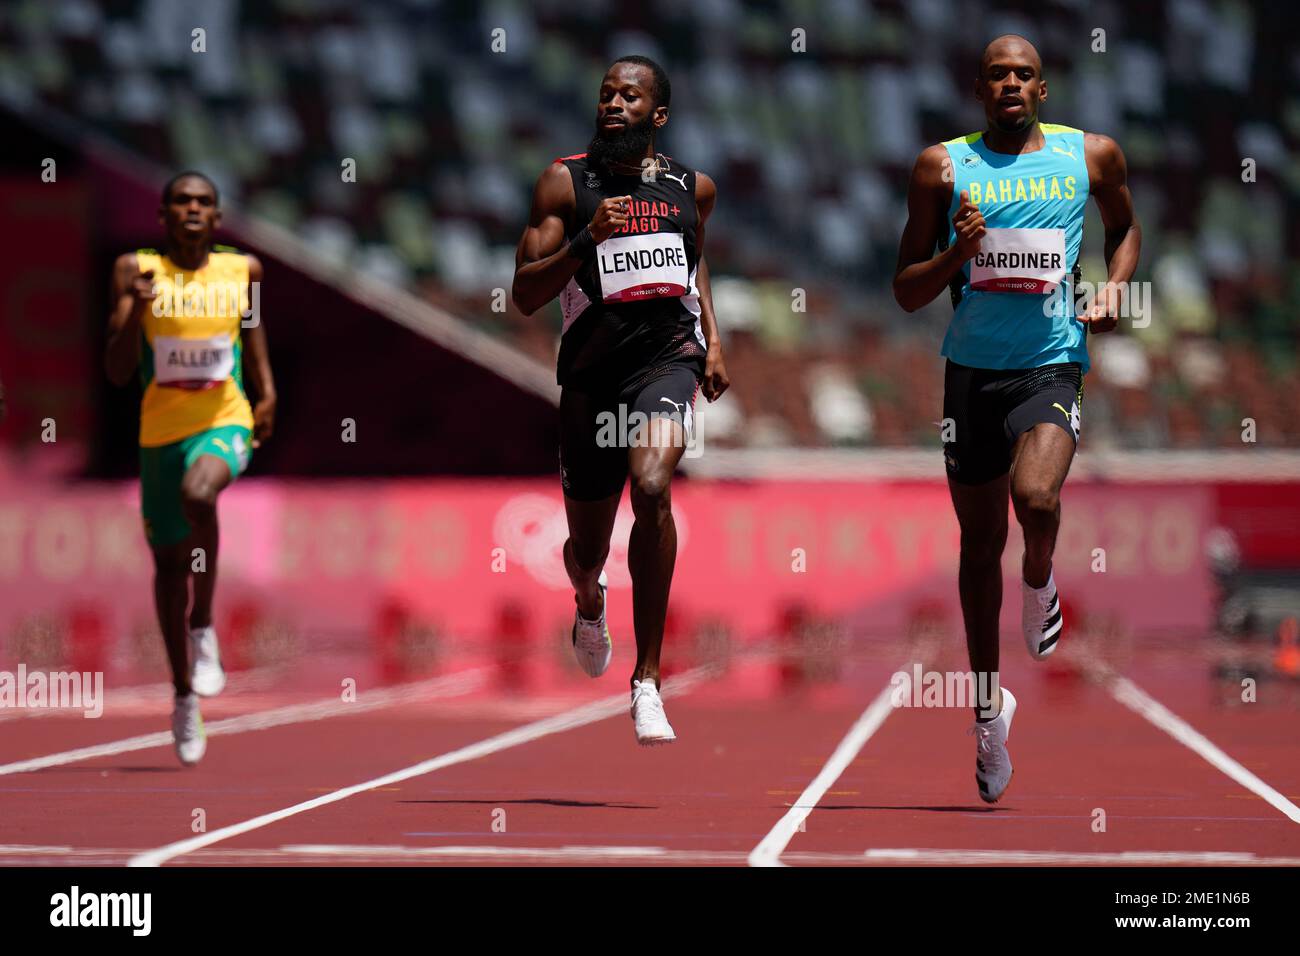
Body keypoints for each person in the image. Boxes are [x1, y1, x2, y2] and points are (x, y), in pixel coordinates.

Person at [893, 35, 1140, 801]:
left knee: (1035, 497)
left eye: (1023, 75)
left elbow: (1125, 230)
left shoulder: (1091, 156)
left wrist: (1112, 290)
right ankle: (986, 711)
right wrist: (954, 253)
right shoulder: (943, 166)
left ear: (1043, 88)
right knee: (977, 545)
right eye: (997, 74)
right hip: (971, 376)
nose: (1009, 83)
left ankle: (1041, 578)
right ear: (979, 88)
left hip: (1051, 365)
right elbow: (906, 288)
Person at [512, 56, 730, 745]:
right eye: (606, 93)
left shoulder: (691, 187)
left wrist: (714, 341)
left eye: (629, 97)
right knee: (586, 547)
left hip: (666, 364)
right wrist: (586, 239)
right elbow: (524, 293)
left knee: (655, 487)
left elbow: (694, 261)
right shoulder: (564, 181)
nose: (613, 104)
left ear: (657, 115)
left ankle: (649, 681)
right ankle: (587, 599)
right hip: (591, 377)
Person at [105, 171, 276, 766]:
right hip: (160, 434)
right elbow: (118, 369)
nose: (193, 210)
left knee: (201, 493)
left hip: (223, 420)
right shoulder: (136, 269)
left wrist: (267, 392)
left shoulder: (243, 271)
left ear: (218, 217)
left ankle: (203, 625)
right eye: (182, 201)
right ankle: (182, 694)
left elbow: (252, 330)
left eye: (204, 202)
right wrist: (135, 311)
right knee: (169, 567)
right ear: (163, 216)